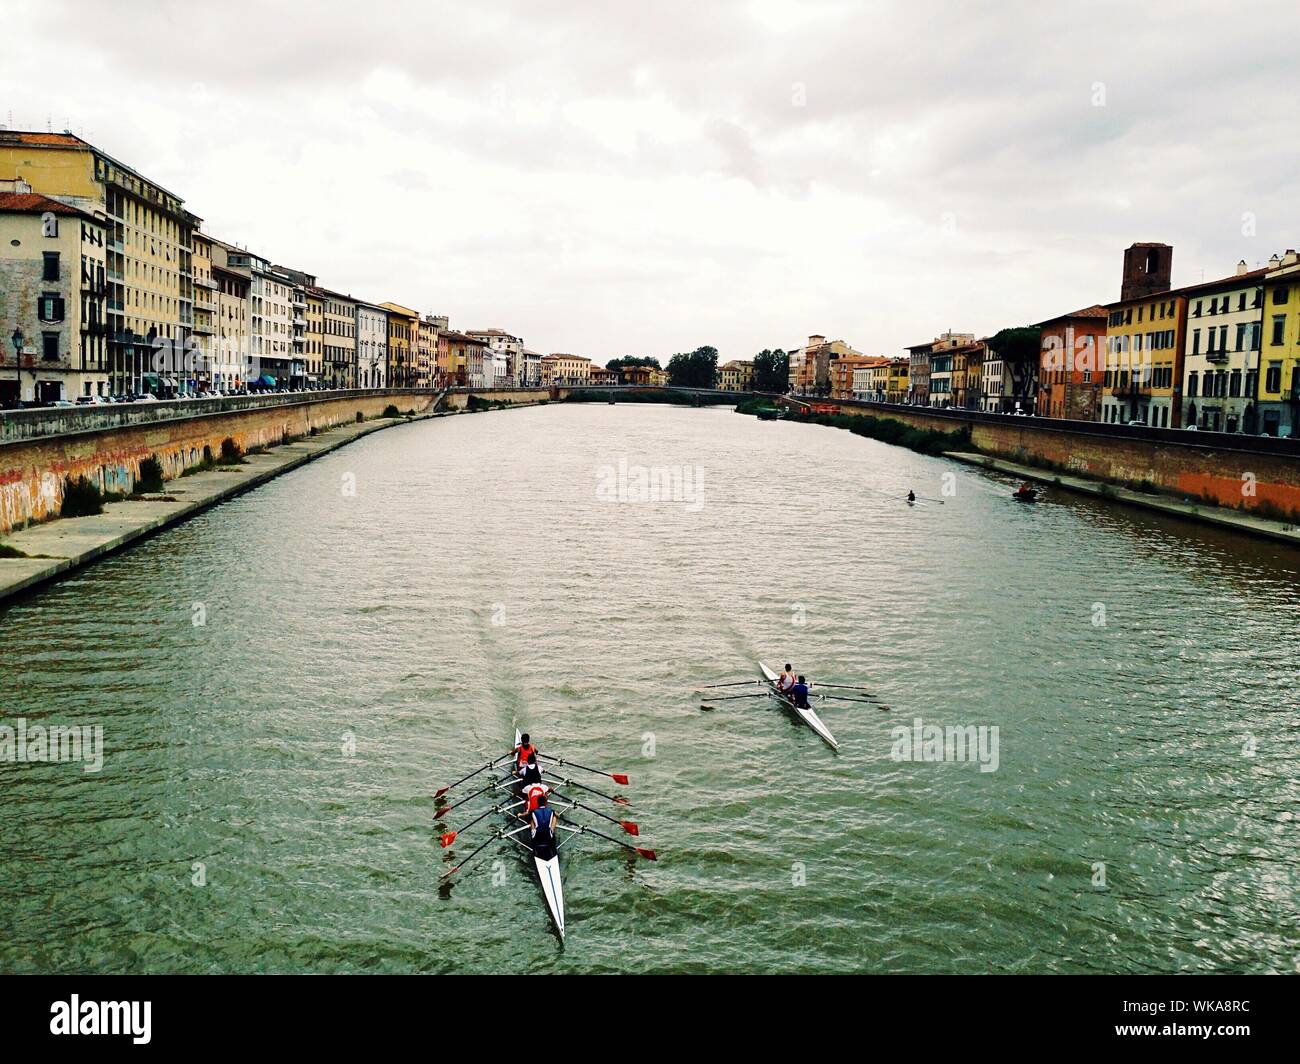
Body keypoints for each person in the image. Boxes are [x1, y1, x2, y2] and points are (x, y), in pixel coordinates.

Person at [529, 792, 558, 860]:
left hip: (537, 837)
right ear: (546, 803)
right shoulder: (551, 811)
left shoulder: (533, 811)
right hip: (548, 837)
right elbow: (558, 815)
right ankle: (552, 831)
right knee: (554, 817)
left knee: (532, 820)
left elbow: (526, 814)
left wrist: (519, 815)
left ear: (537, 803)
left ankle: (533, 832)